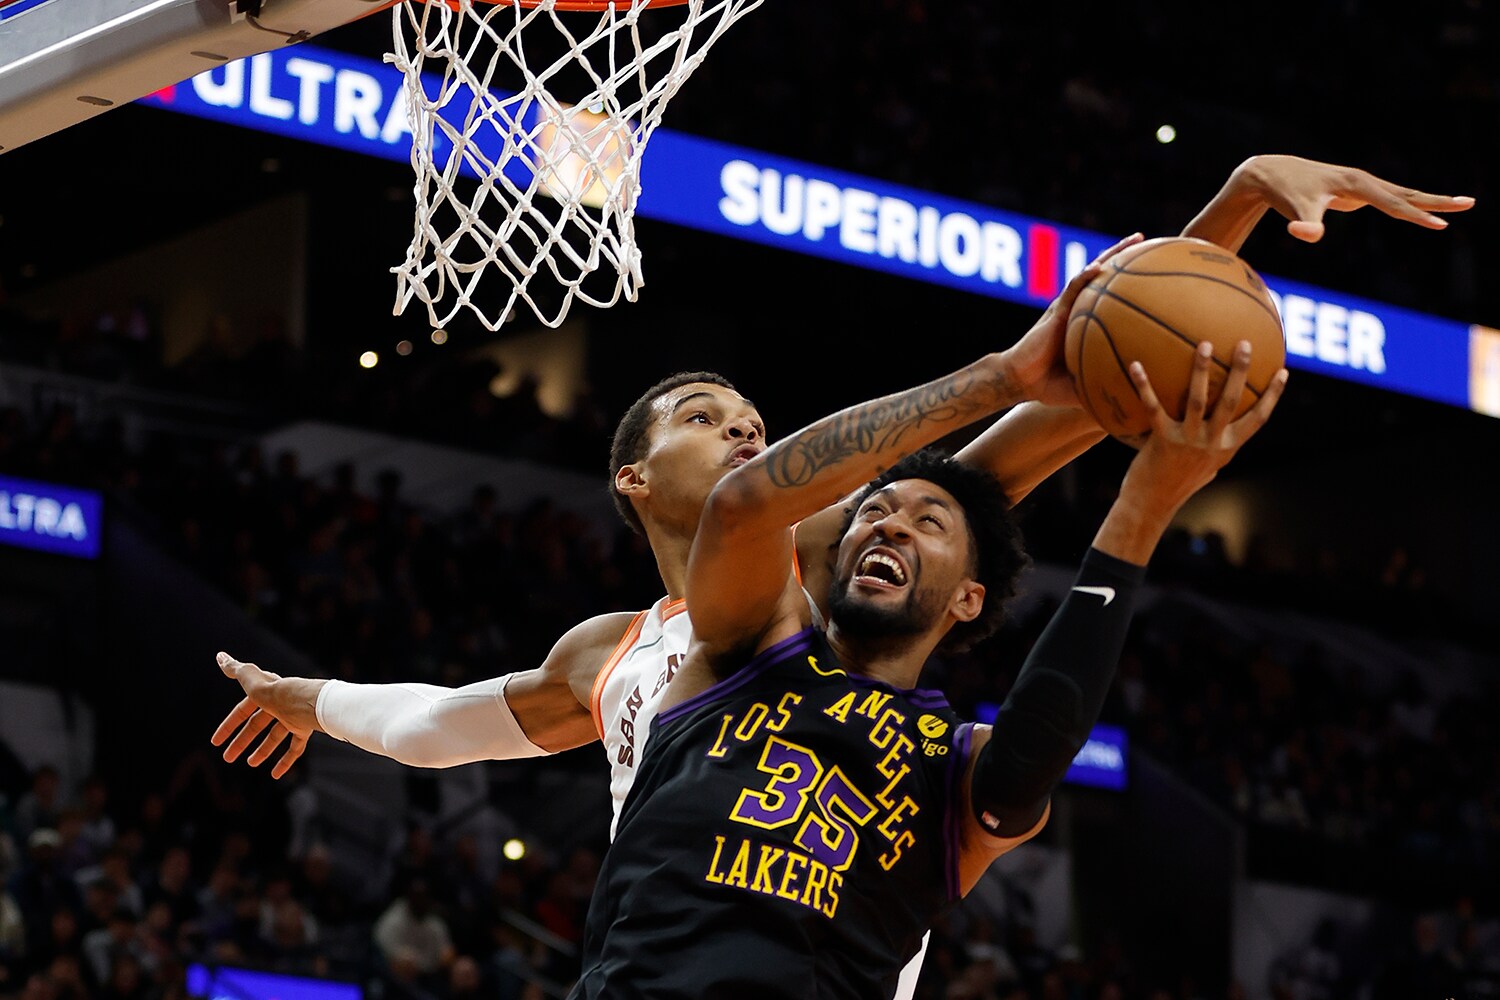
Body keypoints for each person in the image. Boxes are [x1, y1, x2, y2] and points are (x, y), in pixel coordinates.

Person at [211, 156, 1468, 994]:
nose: (746, 430)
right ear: (634, 481)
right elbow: (436, 725)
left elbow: (1078, 381)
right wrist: (312, 697)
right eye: (706, 415)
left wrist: (1231, 215)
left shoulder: (823, 565)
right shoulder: (610, 652)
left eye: (756, 415)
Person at [569, 306, 1285, 997]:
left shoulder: (952, 766)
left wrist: (1145, 507)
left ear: (968, 596)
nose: (892, 528)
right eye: (873, 513)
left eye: (929, 521)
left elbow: (1036, 749)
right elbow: (743, 504)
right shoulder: (742, 656)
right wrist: (1002, 377)